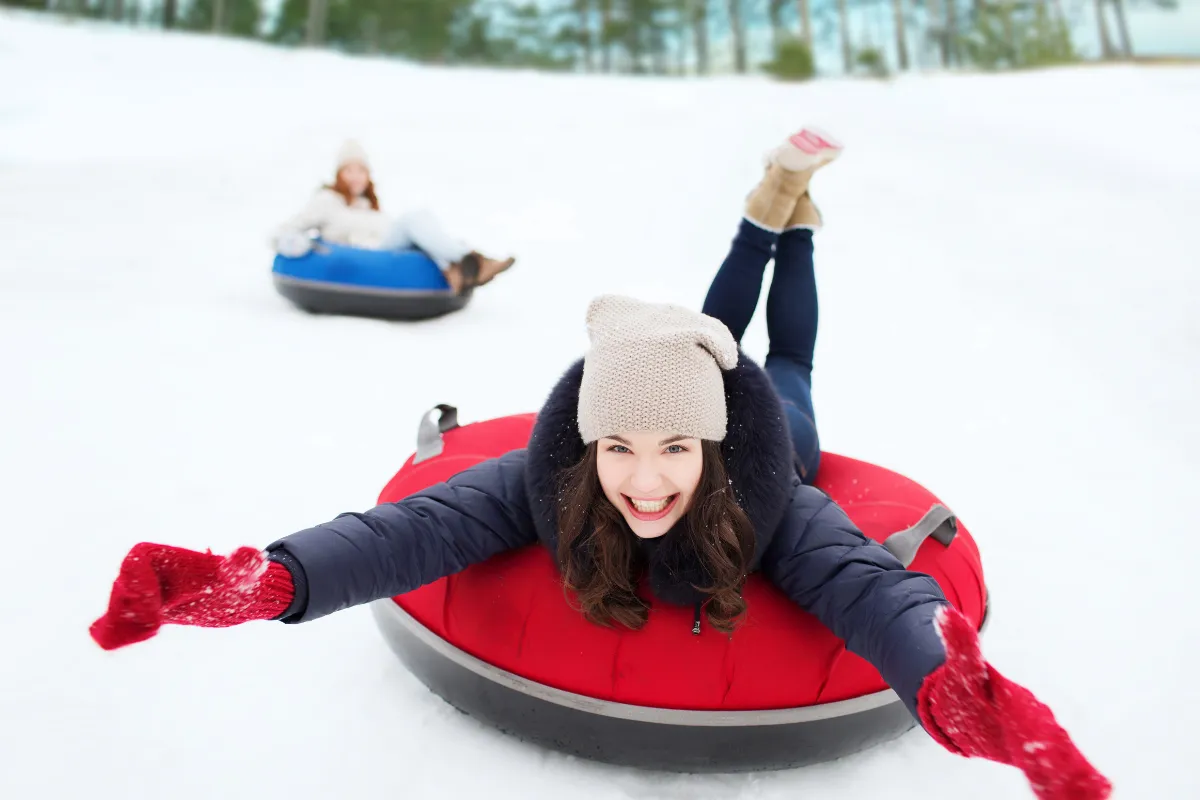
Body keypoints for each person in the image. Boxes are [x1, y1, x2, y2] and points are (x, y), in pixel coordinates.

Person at [92, 129, 1110, 800]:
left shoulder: (775, 503)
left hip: (777, 424)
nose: (646, 478)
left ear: (707, 449)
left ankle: (785, 221)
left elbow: (870, 591)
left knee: (784, 354)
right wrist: (256, 581)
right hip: (674, 370)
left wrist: (957, 688)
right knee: (707, 330)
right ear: (588, 440)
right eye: (619, 446)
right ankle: (773, 200)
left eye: (673, 450)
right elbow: (410, 531)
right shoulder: (556, 475)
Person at [272, 140, 515, 294]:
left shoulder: (369, 206)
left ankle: (458, 270)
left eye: (361, 170)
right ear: (338, 174)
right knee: (413, 218)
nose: (355, 177)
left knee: (422, 220)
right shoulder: (326, 201)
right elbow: (284, 231)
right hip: (369, 257)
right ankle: (473, 262)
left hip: (388, 252)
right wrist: (291, 242)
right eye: (348, 170)